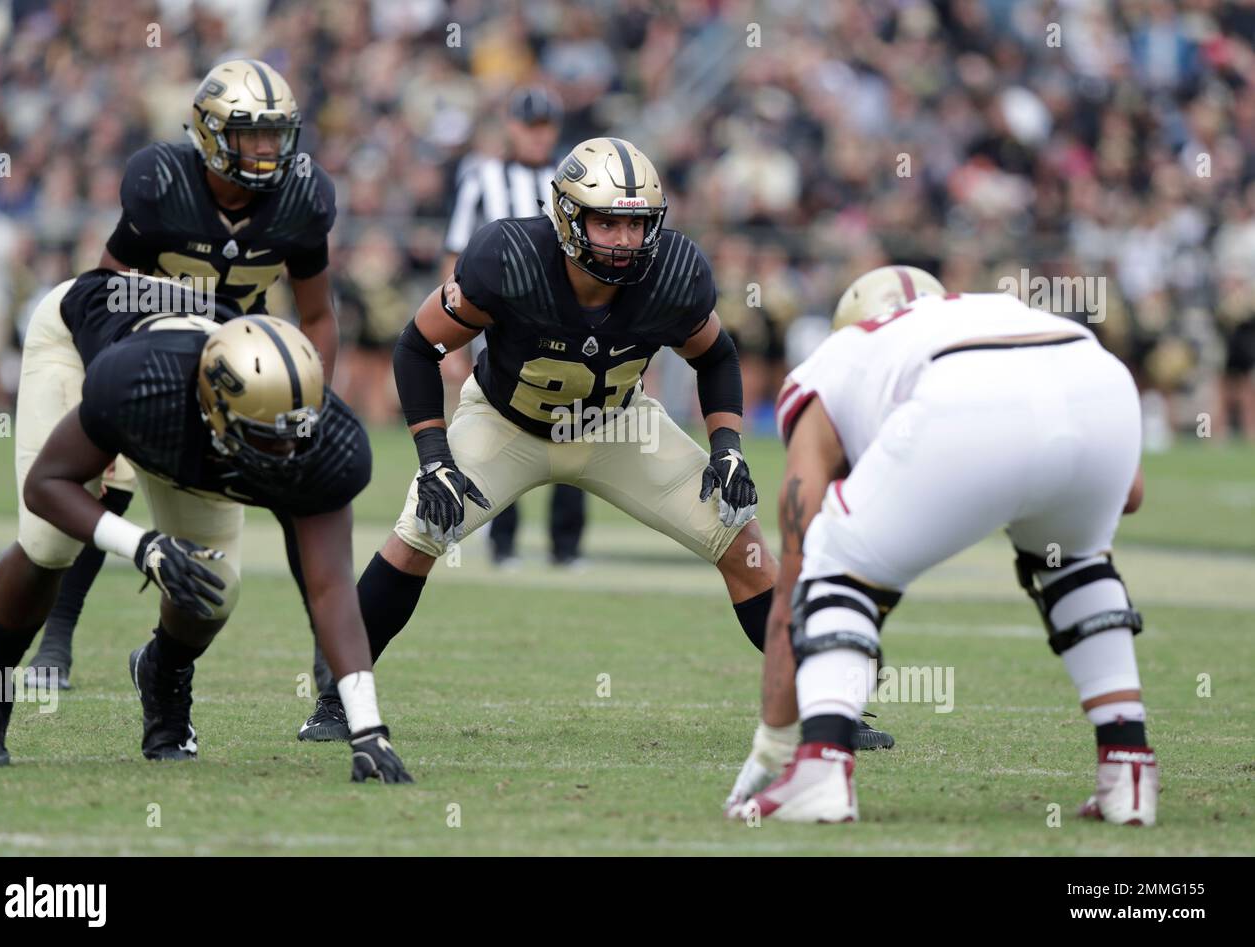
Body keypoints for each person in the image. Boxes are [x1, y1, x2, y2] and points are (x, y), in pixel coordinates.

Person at [353, 138, 893, 774]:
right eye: (606, 221)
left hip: (619, 428)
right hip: (505, 424)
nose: (622, 240)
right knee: (419, 533)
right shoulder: (509, 259)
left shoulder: (673, 274)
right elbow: (417, 347)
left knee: (742, 546)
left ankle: (826, 706)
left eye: (637, 224)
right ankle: (338, 697)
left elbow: (715, 357)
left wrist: (727, 449)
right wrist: (433, 454)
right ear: (566, 217)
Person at [725, 266, 1153, 824]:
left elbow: (798, 569)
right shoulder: (981, 311)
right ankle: (1128, 768)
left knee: (832, 561)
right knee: (1074, 559)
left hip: (962, 395)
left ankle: (820, 766)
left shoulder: (834, 363)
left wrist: (772, 746)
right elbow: (1130, 495)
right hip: (1095, 376)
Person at [0, 271, 410, 783]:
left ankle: (163, 677)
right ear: (216, 413)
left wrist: (369, 729)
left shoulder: (323, 439)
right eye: (266, 440)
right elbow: (46, 485)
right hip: (78, 336)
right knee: (49, 544)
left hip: (192, 373)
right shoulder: (140, 388)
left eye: (294, 436)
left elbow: (329, 589)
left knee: (212, 588)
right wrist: (143, 545)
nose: (287, 455)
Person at [22, 59, 350, 744]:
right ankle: (57, 635)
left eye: (275, 136)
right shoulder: (162, 185)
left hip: (237, 368)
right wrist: (106, 382)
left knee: (301, 489)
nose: (266, 150)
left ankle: (332, 676)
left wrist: (312, 385)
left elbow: (317, 314)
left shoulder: (302, 200)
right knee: (100, 477)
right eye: (250, 136)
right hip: (148, 351)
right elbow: (109, 286)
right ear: (208, 134)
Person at [440, 86, 588, 567]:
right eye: (530, 125)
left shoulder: (570, 181)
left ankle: (566, 547)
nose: (538, 135)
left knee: (575, 426)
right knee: (504, 426)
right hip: (501, 320)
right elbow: (455, 254)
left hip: (567, 321)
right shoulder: (483, 176)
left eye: (545, 126)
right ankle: (501, 540)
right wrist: (449, 338)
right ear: (511, 127)